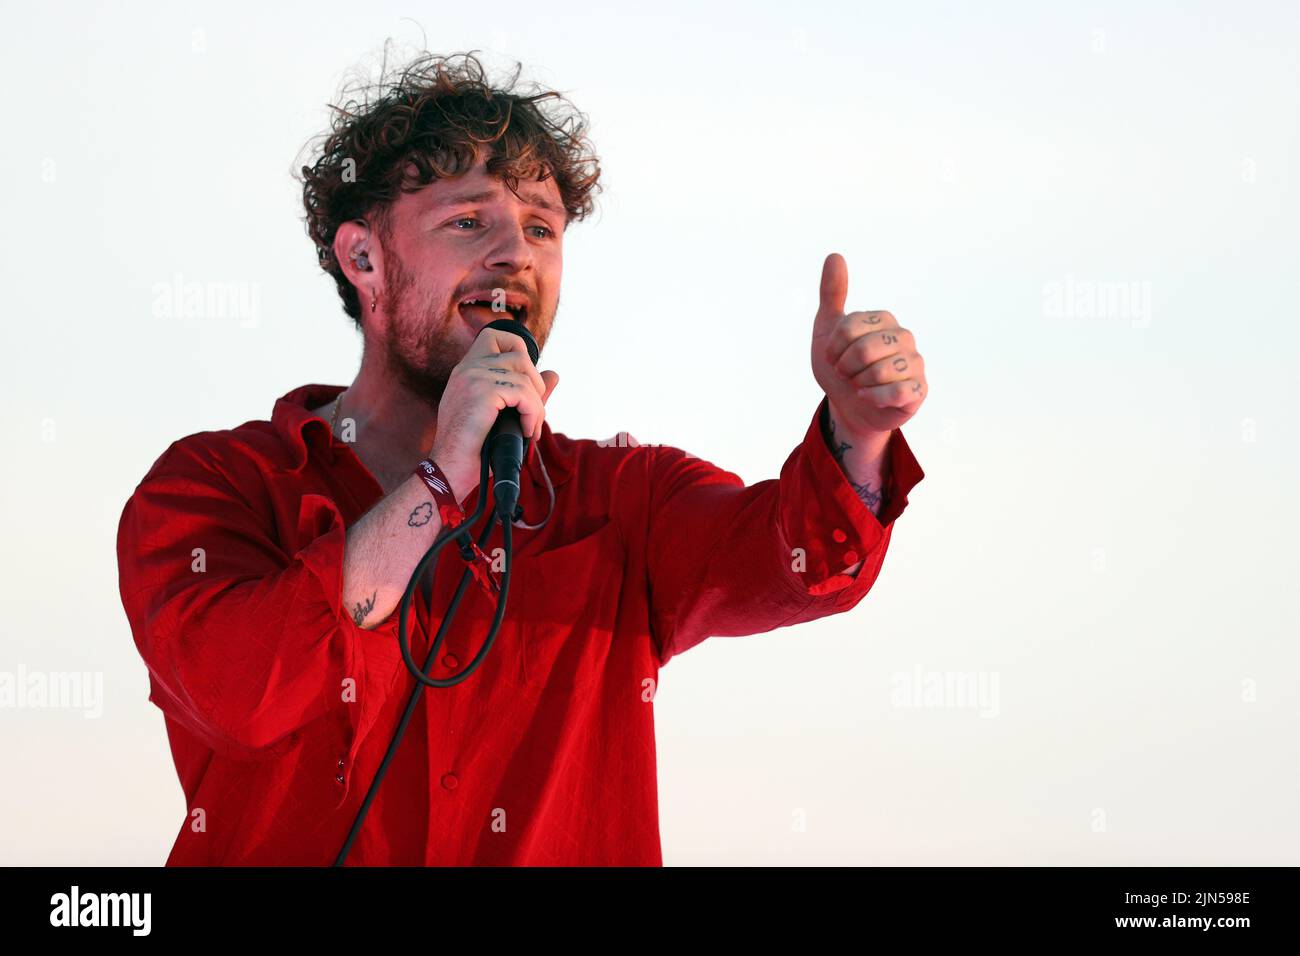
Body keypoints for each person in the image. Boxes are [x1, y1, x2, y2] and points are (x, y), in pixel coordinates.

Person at [116, 51, 928, 866]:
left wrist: (856, 432)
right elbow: (240, 695)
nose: (518, 254)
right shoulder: (214, 487)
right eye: (469, 222)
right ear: (362, 259)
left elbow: (794, 559)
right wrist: (444, 481)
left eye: (541, 228)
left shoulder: (622, 497)